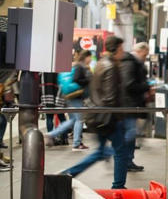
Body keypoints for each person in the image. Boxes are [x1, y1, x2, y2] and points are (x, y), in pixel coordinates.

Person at [62, 36, 130, 190]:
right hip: (109, 118)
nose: (123, 51)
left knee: (100, 152)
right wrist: (119, 117)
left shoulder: (100, 64)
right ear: (117, 49)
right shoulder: (111, 67)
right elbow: (111, 97)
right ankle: (118, 187)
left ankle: (68, 174)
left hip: (98, 115)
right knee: (121, 151)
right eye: (121, 48)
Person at [45, 50, 92, 150]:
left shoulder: (75, 65)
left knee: (72, 120)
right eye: (90, 57)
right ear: (86, 57)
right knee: (79, 120)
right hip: (76, 97)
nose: (91, 59)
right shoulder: (80, 66)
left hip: (70, 96)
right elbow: (77, 79)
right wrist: (88, 81)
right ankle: (76, 143)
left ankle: (51, 134)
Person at [121, 42, 151, 172]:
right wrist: (146, 87)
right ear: (140, 51)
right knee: (130, 134)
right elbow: (129, 85)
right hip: (129, 104)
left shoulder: (133, 63)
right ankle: (124, 160)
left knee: (131, 134)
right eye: (145, 54)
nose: (146, 57)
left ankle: (127, 160)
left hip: (132, 104)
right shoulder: (130, 63)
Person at [41, 72, 68, 142]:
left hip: (47, 97)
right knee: (62, 117)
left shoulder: (44, 70)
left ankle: (51, 139)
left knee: (49, 117)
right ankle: (65, 138)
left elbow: (41, 84)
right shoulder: (59, 68)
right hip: (58, 96)